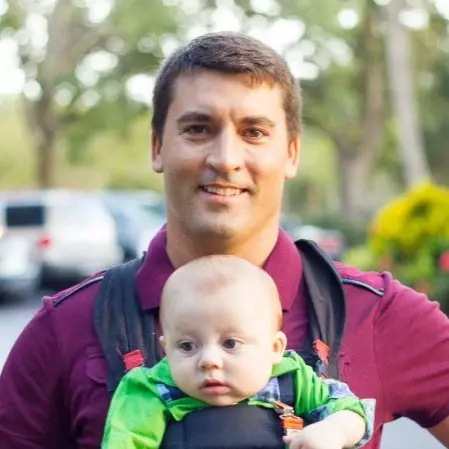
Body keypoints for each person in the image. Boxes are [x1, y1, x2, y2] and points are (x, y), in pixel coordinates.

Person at [0, 31, 448, 449]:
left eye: (254, 132)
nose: (226, 158)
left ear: (291, 152)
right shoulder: (65, 326)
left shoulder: (376, 311)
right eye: (198, 129)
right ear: (157, 146)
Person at [101, 255, 374, 449]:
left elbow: (350, 408)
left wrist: (334, 430)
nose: (208, 361)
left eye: (230, 343)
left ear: (274, 348)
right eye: (187, 346)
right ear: (166, 349)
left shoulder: (292, 378)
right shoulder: (152, 391)